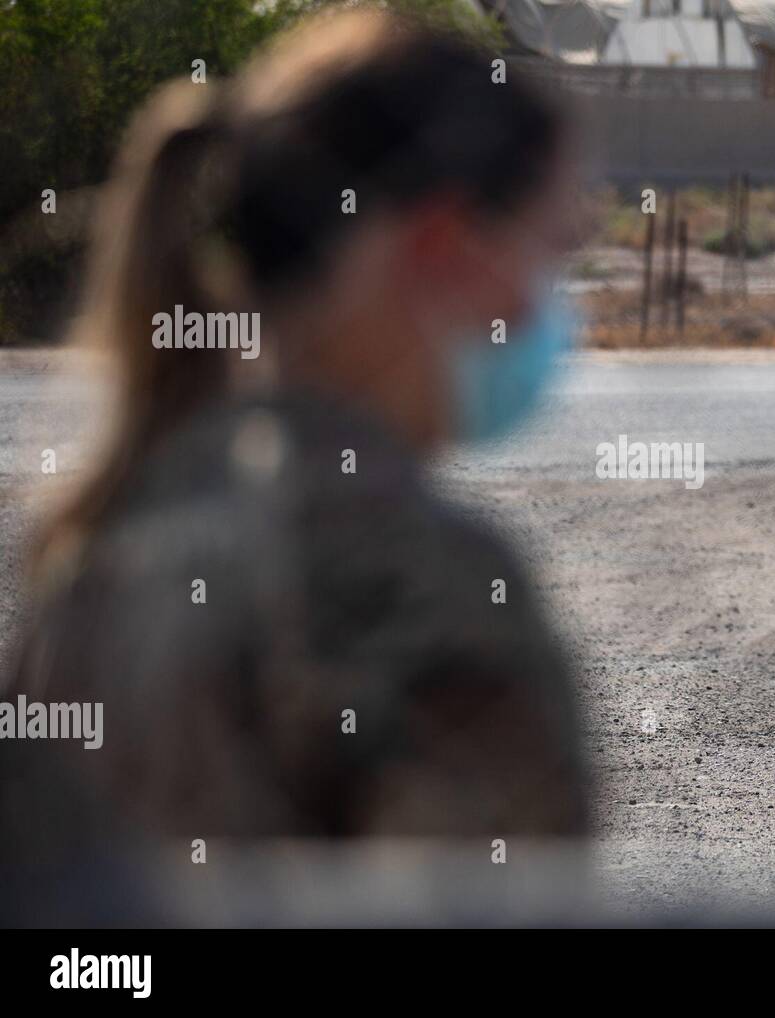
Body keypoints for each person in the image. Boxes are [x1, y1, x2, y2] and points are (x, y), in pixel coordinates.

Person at [0, 8, 587, 922]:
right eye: (552, 252)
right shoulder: (429, 581)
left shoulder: (98, 547)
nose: (554, 307)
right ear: (440, 246)